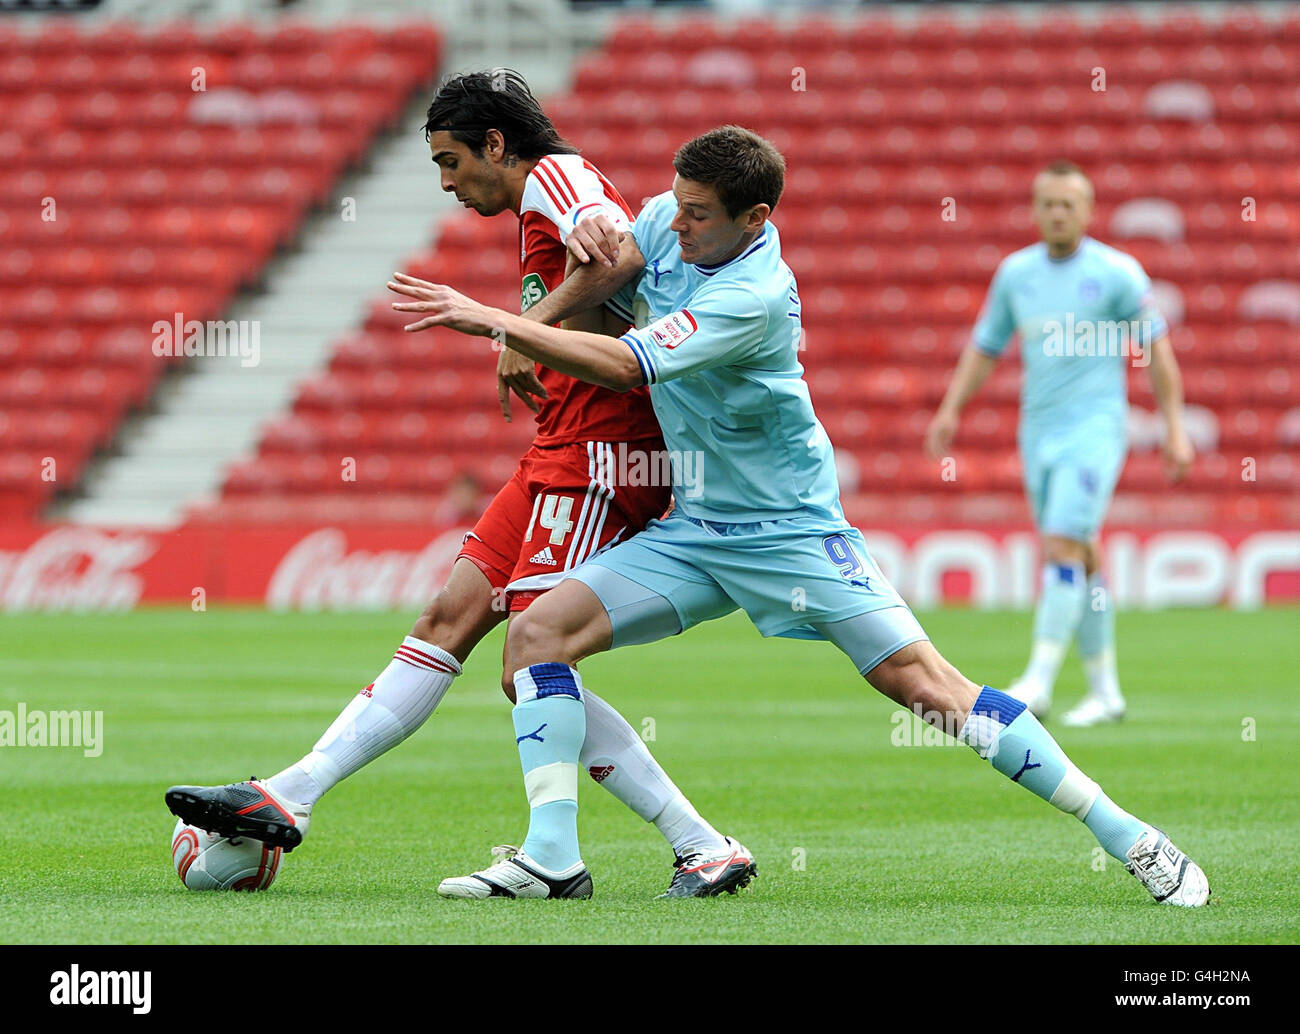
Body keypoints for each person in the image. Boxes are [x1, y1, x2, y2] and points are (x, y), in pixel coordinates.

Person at [389, 126, 1210, 907]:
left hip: (790, 534)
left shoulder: (756, 296)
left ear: (757, 220)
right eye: (676, 201)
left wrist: (495, 319)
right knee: (536, 637)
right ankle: (554, 857)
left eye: (698, 213)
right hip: (695, 529)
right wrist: (531, 324)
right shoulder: (674, 222)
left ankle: (1128, 833)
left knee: (926, 688)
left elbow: (628, 363)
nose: (678, 221)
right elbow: (620, 262)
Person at [166, 72, 756, 901]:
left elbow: (618, 252)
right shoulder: (538, 197)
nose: (447, 184)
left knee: (530, 660)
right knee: (445, 620)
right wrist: (538, 325)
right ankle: (289, 796)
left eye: (451, 161)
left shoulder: (559, 177)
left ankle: (651, 849)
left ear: (496, 145)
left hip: (604, 451)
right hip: (561, 445)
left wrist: (526, 325)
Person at [925, 161, 1193, 726]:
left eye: (1068, 204)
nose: (1057, 213)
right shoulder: (1016, 274)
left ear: (1088, 211)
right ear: (1036, 209)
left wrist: (1173, 425)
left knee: (1063, 545)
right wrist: (951, 409)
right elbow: (986, 347)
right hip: (1038, 434)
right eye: (1048, 204)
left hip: (1096, 431)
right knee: (1082, 554)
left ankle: (1038, 680)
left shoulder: (1118, 273)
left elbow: (1158, 352)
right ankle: (1105, 690)